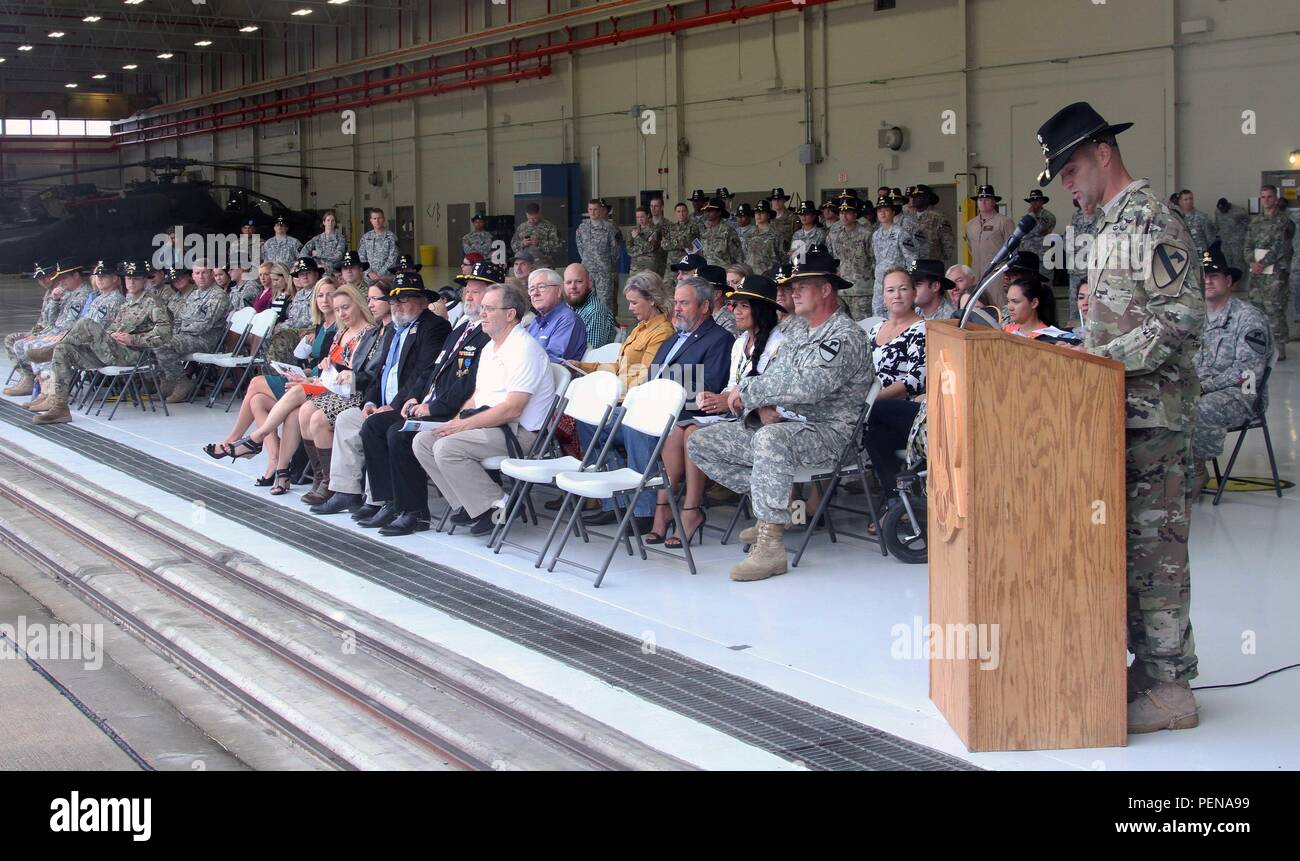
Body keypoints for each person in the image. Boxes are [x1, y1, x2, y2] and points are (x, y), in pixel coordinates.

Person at [1039, 100, 1204, 733]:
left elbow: (1182, 319)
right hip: (1114, 415)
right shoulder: (1107, 226)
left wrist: (1101, 362)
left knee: (1157, 553)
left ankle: (1171, 690)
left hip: (1154, 418)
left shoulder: (1150, 220)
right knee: (1130, 554)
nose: (1068, 185)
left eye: (1073, 169)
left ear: (1103, 154)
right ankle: (1147, 668)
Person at [687, 247, 871, 581]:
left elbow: (809, 386)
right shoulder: (798, 330)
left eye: (802, 285)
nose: (792, 291)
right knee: (702, 441)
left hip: (830, 434)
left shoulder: (845, 336)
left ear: (826, 289)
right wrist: (759, 408)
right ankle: (771, 509)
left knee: (771, 440)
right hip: (789, 425)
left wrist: (747, 394)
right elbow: (776, 375)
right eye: (792, 286)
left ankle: (770, 545)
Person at [578, 275, 734, 530]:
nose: (677, 308)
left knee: (636, 425)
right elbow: (651, 374)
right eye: (676, 302)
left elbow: (710, 384)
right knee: (591, 421)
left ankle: (644, 511)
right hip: (649, 404)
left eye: (684, 303)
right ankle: (614, 502)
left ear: (705, 307)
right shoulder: (675, 338)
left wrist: (656, 394)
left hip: (678, 413)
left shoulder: (719, 338)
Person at [646, 274, 785, 548]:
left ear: (761, 310)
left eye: (743, 306)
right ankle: (664, 506)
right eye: (735, 306)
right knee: (675, 431)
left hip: (758, 421)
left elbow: (773, 393)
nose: (734, 311)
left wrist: (727, 400)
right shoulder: (739, 343)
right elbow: (732, 387)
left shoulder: (779, 343)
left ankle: (690, 510)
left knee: (692, 432)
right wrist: (721, 399)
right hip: (734, 414)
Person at [321, 276, 472, 524]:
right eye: (394, 300)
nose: (397, 306)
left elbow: (422, 374)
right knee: (349, 418)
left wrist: (393, 405)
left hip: (409, 404)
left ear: (423, 302)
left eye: (404, 300)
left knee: (386, 429)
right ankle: (357, 494)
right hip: (385, 403)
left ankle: (398, 504)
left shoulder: (432, 327)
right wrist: (369, 403)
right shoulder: (393, 330)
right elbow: (380, 373)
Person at [411, 283, 556, 536]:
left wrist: (463, 426)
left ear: (510, 314)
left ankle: (499, 505)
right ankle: (471, 506)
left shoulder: (524, 349)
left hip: (519, 432)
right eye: (482, 308)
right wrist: (453, 422)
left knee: (447, 447)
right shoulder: (489, 347)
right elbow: (477, 397)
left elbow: (513, 408)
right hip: (491, 425)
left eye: (489, 309)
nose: (481, 314)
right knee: (424, 441)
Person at [222, 282, 380, 496]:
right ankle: (306, 474)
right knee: (283, 405)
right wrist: (320, 373)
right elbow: (330, 368)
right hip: (328, 385)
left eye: (346, 307)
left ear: (358, 305)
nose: (341, 313)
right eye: (338, 309)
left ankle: (255, 440)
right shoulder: (341, 332)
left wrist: (320, 376)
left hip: (350, 393)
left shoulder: (369, 334)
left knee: (287, 392)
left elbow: (357, 373)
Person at [36, 260, 172, 424]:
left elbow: (165, 334)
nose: (131, 281)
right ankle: (60, 407)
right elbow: (114, 327)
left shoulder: (153, 302)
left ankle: (51, 348)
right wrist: (111, 334)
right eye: (128, 278)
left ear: (144, 280)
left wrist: (134, 339)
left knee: (85, 324)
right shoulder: (128, 302)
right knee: (63, 349)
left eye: (136, 278)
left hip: (132, 354)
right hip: (111, 350)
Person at [1191, 241, 1271, 496]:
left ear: (1229, 281)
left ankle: (1197, 471)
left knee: (1203, 406)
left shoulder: (1248, 317)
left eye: (1214, 276)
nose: (1208, 281)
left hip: (1242, 395)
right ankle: (1171, 470)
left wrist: (1204, 387)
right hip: (1200, 388)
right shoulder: (1194, 317)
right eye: (1204, 276)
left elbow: (1249, 371)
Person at [862, 267, 928, 515]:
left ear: (913, 293)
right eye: (890, 290)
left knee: (871, 414)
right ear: (883, 295)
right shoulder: (875, 329)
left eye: (903, 289)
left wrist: (872, 400)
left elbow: (916, 380)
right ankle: (897, 504)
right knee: (875, 438)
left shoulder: (922, 329)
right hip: (874, 413)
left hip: (911, 410)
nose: (897, 295)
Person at [156, 260, 230, 403]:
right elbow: (180, 319)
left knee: (162, 343)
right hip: (187, 337)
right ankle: (167, 381)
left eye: (204, 272)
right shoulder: (194, 295)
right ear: (193, 276)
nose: (201, 276)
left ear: (212, 274)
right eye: (197, 273)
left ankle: (181, 382)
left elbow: (204, 325)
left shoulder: (218, 296)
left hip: (204, 340)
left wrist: (178, 331)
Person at [1243, 184, 1294, 358]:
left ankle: (1279, 347)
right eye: (1263, 197)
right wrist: (1252, 262)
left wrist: (1263, 262)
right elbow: (1247, 244)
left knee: (1275, 308)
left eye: (1269, 197)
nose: (1266, 200)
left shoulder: (1284, 221)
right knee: (1256, 307)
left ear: (1276, 199)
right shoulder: (1255, 222)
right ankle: (1261, 344)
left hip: (1275, 272)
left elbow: (1282, 246)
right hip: (1256, 271)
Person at [965, 185, 1014, 305]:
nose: (983, 202)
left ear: (994, 202)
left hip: (997, 274)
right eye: (980, 199)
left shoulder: (1004, 222)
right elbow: (970, 247)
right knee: (980, 305)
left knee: (999, 304)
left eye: (987, 199)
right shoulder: (971, 225)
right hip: (977, 273)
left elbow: (1014, 249)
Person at [872, 192, 919, 316]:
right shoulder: (876, 235)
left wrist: (910, 281)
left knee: (898, 316)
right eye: (879, 210)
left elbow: (912, 260)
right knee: (878, 317)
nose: (882, 213)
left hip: (897, 284)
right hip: (879, 284)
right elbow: (875, 259)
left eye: (886, 210)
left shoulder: (901, 233)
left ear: (893, 212)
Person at [525, 267, 587, 362]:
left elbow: (553, 360)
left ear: (559, 291)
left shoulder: (567, 319)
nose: (535, 293)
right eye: (532, 289)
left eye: (541, 287)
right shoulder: (535, 322)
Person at [828, 196, 874, 319]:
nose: (844, 216)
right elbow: (832, 260)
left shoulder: (866, 234)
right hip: (841, 290)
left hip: (862, 290)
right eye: (842, 213)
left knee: (864, 327)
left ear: (855, 214)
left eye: (848, 213)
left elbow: (874, 260)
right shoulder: (835, 236)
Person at [576, 198, 622, 317]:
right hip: (588, 272)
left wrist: (606, 264)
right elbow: (580, 248)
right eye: (590, 209)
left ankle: (608, 329)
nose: (593, 212)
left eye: (595, 209)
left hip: (604, 272)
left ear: (601, 210)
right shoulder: (582, 228)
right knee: (587, 301)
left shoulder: (610, 228)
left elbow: (615, 251)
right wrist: (588, 261)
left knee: (605, 302)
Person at [562, 263, 616, 350]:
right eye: (568, 282)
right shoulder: (567, 307)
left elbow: (590, 354)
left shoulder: (595, 312)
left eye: (579, 281)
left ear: (589, 283)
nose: (573, 287)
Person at [1067, 198, 1099, 323]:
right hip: (1076, 268)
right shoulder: (1076, 215)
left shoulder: (1100, 215)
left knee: (1093, 303)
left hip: (1093, 269)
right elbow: (1069, 240)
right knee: (1075, 303)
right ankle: (1075, 327)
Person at [1002, 269, 1059, 337]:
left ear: (1034, 303)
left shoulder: (1049, 336)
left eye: (1015, 302)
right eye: (1008, 301)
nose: (1010, 307)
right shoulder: (1006, 330)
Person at [911, 184, 956, 265]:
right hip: (912, 262)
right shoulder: (909, 216)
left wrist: (941, 259)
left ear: (927, 198)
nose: (914, 199)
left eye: (918, 196)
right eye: (913, 196)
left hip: (932, 261)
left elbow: (948, 240)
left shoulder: (938, 217)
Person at [511, 202, 565, 268]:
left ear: (539, 214)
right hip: (525, 266)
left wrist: (540, 243)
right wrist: (522, 243)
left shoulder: (549, 227)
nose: (532, 220)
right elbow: (513, 245)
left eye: (534, 218)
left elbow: (558, 246)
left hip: (544, 265)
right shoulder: (521, 227)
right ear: (526, 214)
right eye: (529, 218)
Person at [1020, 189, 1057, 280]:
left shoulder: (1048, 216)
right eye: (1032, 201)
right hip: (1029, 258)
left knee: (1044, 287)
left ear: (1042, 202)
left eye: (1036, 200)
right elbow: (1023, 235)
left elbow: (1035, 231)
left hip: (1043, 259)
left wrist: (1031, 215)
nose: (1033, 203)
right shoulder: (1027, 217)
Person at [660, 203, 701, 279]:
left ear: (687, 212)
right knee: (668, 288)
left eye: (683, 211)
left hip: (685, 265)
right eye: (678, 211)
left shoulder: (694, 227)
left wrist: (672, 243)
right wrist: (682, 243)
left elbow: (695, 244)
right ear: (675, 213)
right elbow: (663, 245)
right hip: (671, 265)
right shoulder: (670, 228)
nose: (681, 214)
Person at [358, 208, 399, 284]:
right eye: (374, 218)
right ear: (371, 220)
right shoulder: (366, 237)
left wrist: (379, 274)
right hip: (367, 279)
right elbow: (361, 257)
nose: (377, 221)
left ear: (383, 219)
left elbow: (392, 259)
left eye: (379, 218)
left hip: (385, 279)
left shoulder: (391, 237)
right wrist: (369, 272)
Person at [699, 197, 742, 267]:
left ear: (719, 212)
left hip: (723, 272)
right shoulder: (704, 232)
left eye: (710, 210)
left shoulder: (728, 231)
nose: (707, 213)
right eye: (705, 210)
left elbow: (738, 255)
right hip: (706, 272)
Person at [1176, 190, 1217, 262]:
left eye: (1191, 198)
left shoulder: (1202, 217)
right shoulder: (1176, 219)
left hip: (1201, 257)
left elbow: (1211, 239)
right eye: (1186, 199)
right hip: (1183, 257)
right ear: (1180, 202)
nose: (1189, 201)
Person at [1212, 197, 1250, 275]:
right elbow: (1217, 225)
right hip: (1225, 243)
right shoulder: (1217, 212)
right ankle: (1229, 281)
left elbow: (1249, 226)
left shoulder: (1239, 212)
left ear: (1228, 206)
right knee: (1225, 262)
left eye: (1223, 209)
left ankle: (1237, 283)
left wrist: (1246, 238)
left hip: (1237, 243)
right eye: (1220, 209)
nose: (1222, 211)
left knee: (1238, 263)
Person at [626, 206, 664, 275]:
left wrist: (637, 237)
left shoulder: (655, 230)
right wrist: (645, 247)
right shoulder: (632, 231)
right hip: (635, 268)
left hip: (649, 268)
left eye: (642, 217)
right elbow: (629, 250)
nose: (640, 219)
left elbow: (651, 247)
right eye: (637, 217)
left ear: (648, 215)